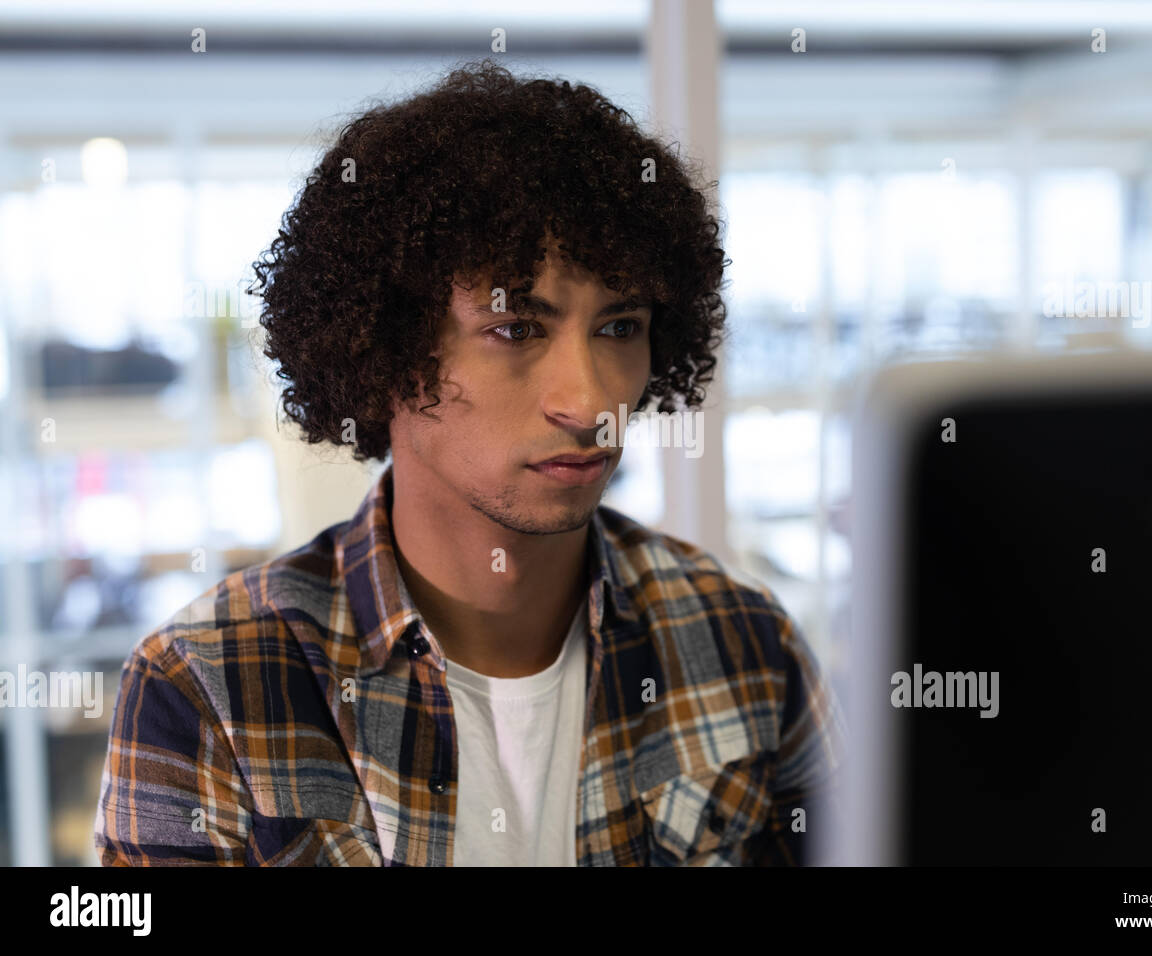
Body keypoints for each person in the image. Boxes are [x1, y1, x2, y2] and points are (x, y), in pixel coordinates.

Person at [94, 58, 846, 866]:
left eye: (620, 327)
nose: (588, 399)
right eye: (518, 329)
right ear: (388, 352)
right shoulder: (210, 687)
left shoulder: (744, 644)